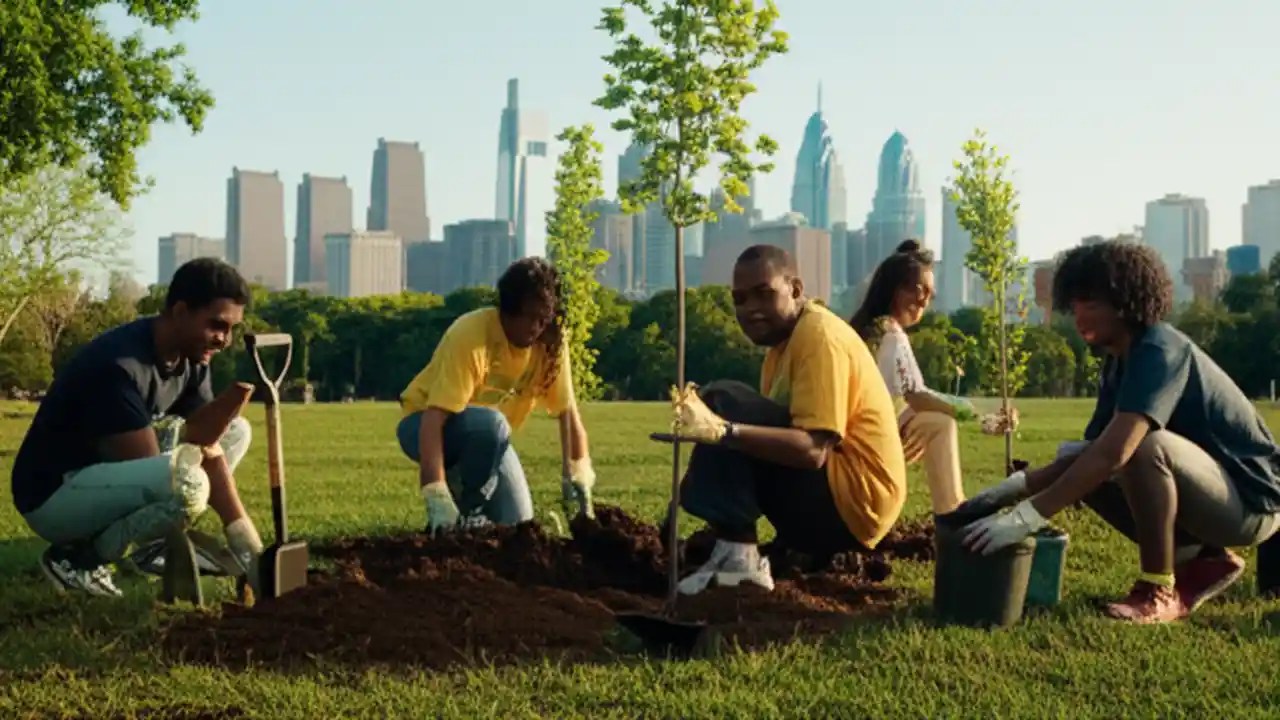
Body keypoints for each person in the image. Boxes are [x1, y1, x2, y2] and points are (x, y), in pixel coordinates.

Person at [961, 240, 1280, 623]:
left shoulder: (1160, 349)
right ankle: (1206, 559)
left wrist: (1025, 518)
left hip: (1252, 505)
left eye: (1092, 303)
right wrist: (1012, 489)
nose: (1079, 314)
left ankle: (1157, 589)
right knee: (1083, 460)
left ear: (1126, 302)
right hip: (1213, 498)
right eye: (1075, 303)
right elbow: (1091, 453)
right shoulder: (1119, 361)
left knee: (1143, 447)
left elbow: (1116, 452)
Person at [11, 258, 264, 597]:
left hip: (106, 475)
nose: (224, 339)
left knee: (236, 431)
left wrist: (245, 540)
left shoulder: (192, 356)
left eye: (231, 328)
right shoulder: (119, 366)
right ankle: (77, 559)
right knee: (187, 485)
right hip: (55, 495)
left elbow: (208, 444)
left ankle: (153, 547)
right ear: (180, 311)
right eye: (217, 325)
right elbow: (159, 471)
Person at [665, 244, 908, 594]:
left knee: (724, 401)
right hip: (838, 503)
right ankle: (739, 551)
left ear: (795, 290)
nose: (750, 310)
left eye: (764, 295)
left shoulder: (819, 336)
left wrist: (725, 431)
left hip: (854, 506)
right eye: (740, 300)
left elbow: (812, 451)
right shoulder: (780, 350)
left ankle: (740, 559)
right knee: (722, 409)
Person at [397, 257, 596, 534]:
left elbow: (568, 413)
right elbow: (434, 418)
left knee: (518, 526)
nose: (537, 327)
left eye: (544, 318)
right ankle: (467, 512)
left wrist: (578, 473)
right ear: (508, 309)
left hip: (490, 438)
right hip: (422, 425)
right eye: (530, 317)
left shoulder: (550, 344)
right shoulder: (471, 334)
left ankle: (470, 516)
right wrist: (435, 494)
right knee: (493, 423)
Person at [849, 239, 969, 514]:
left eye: (930, 294)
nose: (924, 300)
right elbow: (916, 395)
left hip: (855, 435)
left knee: (930, 421)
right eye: (917, 290)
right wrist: (966, 410)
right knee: (941, 423)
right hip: (864, 445)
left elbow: (887, 397)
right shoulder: (890, 334)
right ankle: (952, 513)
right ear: (893, 290)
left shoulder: (867, 329)